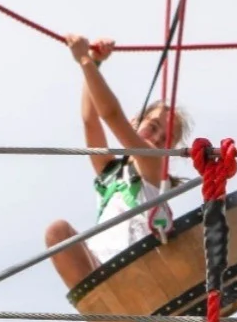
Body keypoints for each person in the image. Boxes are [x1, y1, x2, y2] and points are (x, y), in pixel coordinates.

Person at [43, 34, 191, 292]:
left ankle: (119, 301)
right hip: (104, 272)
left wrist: (85, 61)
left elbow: (110, 115)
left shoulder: (153, 167)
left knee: (59, 232)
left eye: (165, 139)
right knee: (57, 233)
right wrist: (93, 66)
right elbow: (91, 121)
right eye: (152, 127)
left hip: (139, 269)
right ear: (136, 121)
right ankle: (98, 303)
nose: (156, 139)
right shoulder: (110, 173)